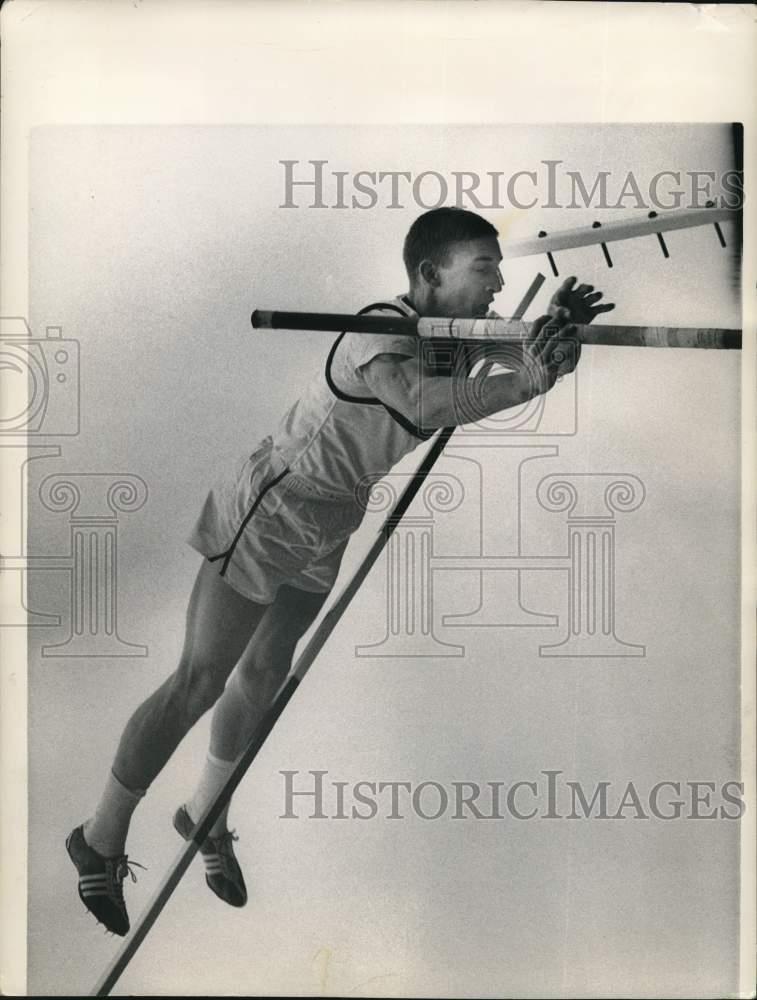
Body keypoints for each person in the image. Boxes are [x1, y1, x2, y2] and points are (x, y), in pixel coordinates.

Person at [67, 206, 614, 935]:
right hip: (271, 508)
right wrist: (527, 380)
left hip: (333, 515)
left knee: (262, 674)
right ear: (427, 274)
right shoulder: (376, 330)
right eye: (482, 269)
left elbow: (481, 378)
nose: (495, 284)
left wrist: (545, 335)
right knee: (199, 679)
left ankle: (203, 812)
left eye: (497, 271)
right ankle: (98, 836)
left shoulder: (450, 334)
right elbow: (425, 401)